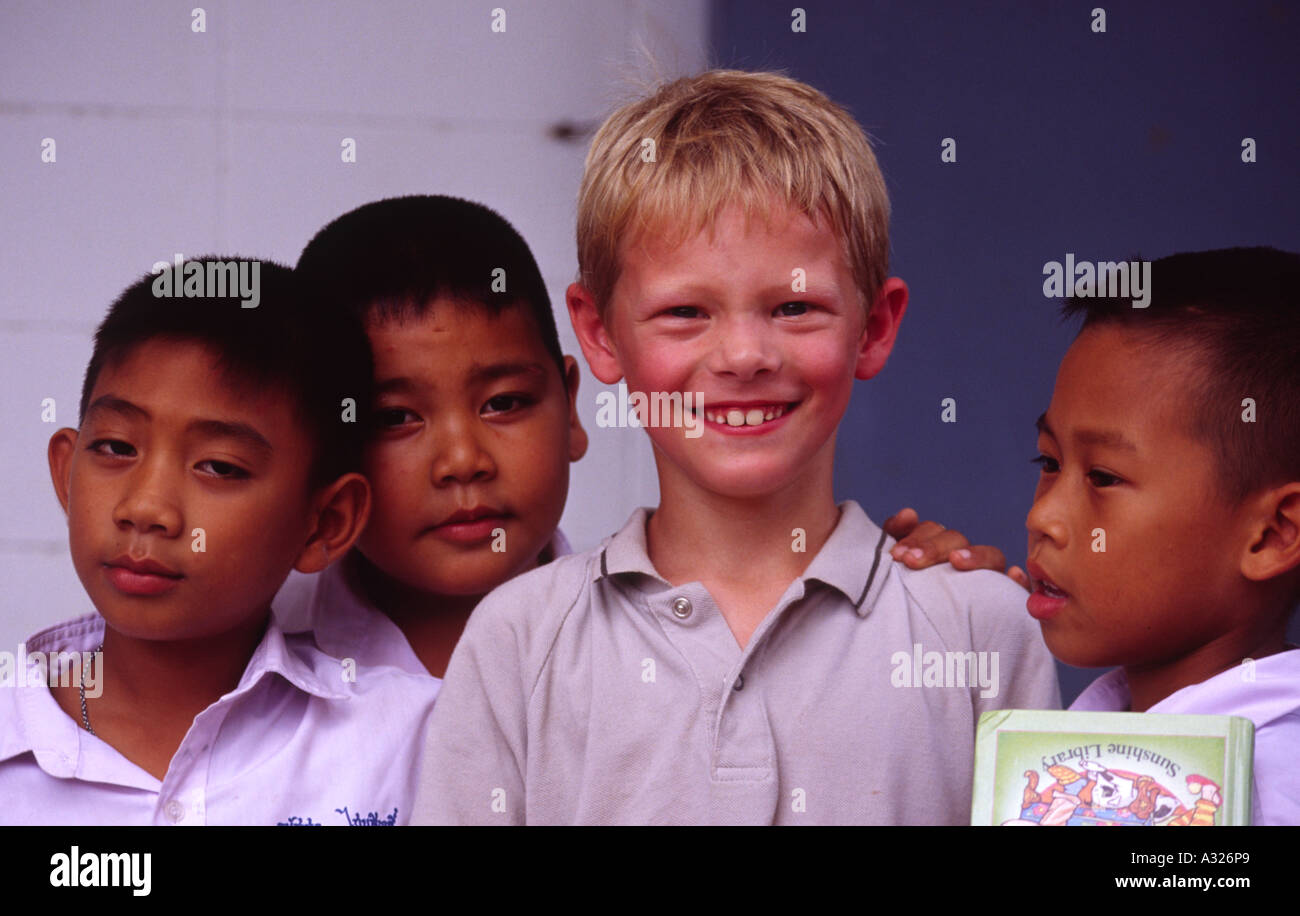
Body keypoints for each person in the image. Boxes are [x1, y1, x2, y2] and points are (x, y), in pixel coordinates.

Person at [413, 70, 1059, 825]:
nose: (745, 355)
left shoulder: (982, 627)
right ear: (598, 334)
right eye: (686, 311)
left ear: (876, 327)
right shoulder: (519, 640)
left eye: (794, 306)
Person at [0, 258, 437, 825]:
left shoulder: (411, 742)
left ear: (325, 521)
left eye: (219, 467)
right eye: (114, 448)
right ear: (66, 474)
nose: (146, 508)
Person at [1026, 246, 1300, 825]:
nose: (1043, 518)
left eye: (1103, 477)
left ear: (1272, 534)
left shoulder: (1272, 791)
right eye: (1048, 462)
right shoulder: (1106, 738)